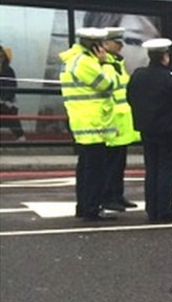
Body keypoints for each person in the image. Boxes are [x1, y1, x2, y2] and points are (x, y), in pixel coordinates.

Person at [127, 38, 172, 223]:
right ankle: (165, 211)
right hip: (171, 132)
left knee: (152, 169)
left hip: (147, 130)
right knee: (167, 171)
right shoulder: (170, 78)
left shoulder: (138, 75)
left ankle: (152, 210)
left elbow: (130, 97)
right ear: (165, 56)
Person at [59, 27, 119, 221]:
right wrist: (106, 63)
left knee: (85, 168)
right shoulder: (86, 62)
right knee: (94, 170)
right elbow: (108, 84)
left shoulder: (74, 60)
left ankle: (84, 206)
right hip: (93, 123)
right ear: (95, 46)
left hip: (83, 122)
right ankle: (92, 209)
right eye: (101, 44)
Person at [99, 28, 141, 212]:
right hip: (110, 121)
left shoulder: (117, 63)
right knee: (110, 164)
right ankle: (108, 197)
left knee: (119, 163)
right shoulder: (103, 63)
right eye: (117, 42)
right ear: (106, 44)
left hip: (121, 122)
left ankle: (117, 195)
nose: (121, 45)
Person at [1, 46, 27, 142]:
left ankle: (20, 137)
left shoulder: (8, 70)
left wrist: (5, 100)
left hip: (7, 101)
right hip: (5, 102)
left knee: (10, 115)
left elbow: (12, 87)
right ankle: (20, 137)